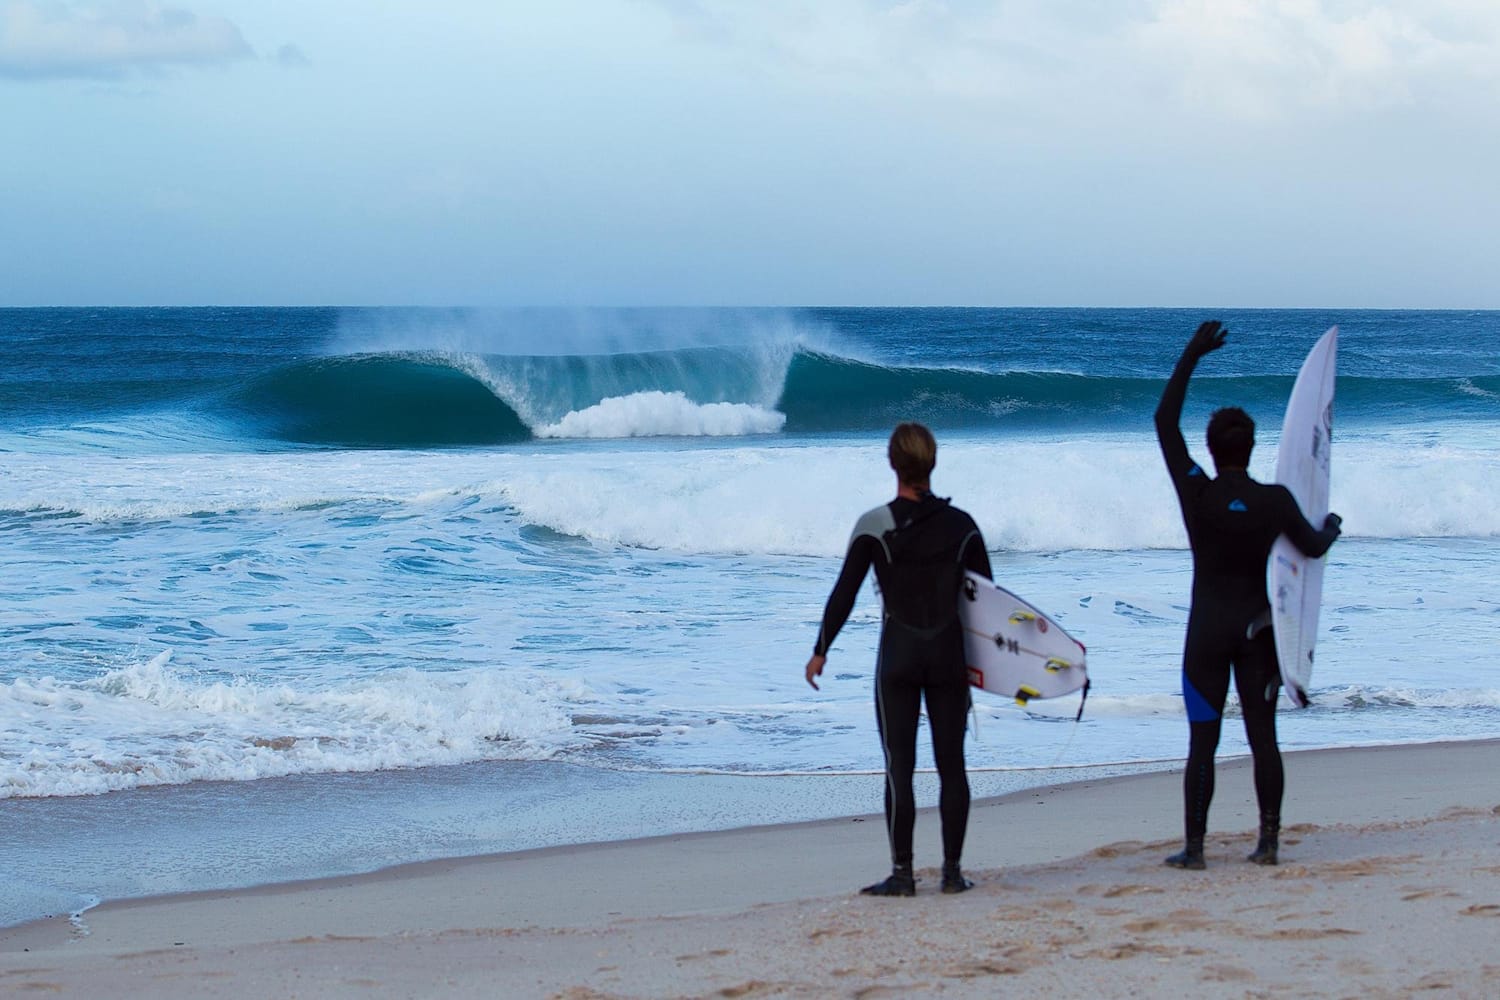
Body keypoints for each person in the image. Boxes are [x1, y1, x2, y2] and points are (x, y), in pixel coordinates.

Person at [1155, 320, 1343, 870]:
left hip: (1206, 634)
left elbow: (1164, 421)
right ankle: (1268, 844)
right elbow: (1310, 548)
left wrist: (1192, 352)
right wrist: (1331, 525)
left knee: (1203, 742)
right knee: (1264, 738)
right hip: (1259, 633)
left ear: (1211, 451)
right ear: (1254, 448)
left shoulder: (1197, 492)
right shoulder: (1275, 501)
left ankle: (1194, 849)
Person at [804, 422, 992, 896]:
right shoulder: (963, 526)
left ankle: (904, 875)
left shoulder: (874, 525)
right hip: (950, 656)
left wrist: (821, 649)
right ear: (932, 463)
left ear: (893, 463)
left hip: (899, 660)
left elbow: (844, 593)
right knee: (953, 766)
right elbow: (988, 603)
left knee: (899, 767)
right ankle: (952, 874)